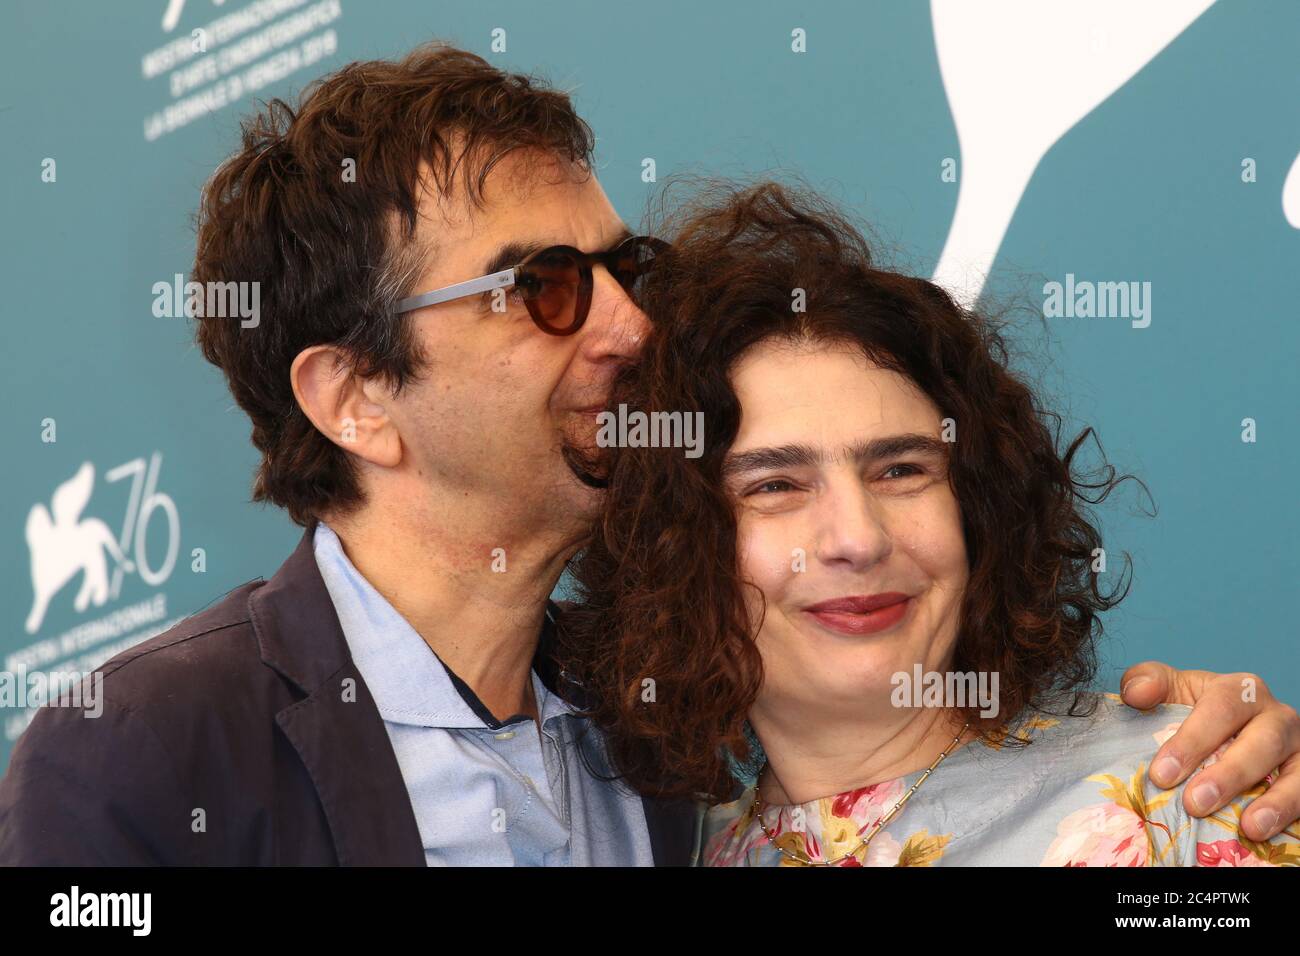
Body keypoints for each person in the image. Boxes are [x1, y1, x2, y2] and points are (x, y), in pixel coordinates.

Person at [0, 44, 1295, 866]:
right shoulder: (149, 755)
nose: (630, 324)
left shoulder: (663, 736)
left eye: (627, 270)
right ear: (356, 398)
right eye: (548, 287)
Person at [558, 179, 1300, 866]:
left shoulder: (1192, 801)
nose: (859, 538)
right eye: (776, 484)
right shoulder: (687, 849)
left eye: (901, 471)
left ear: (979, 508)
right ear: (668, 543)